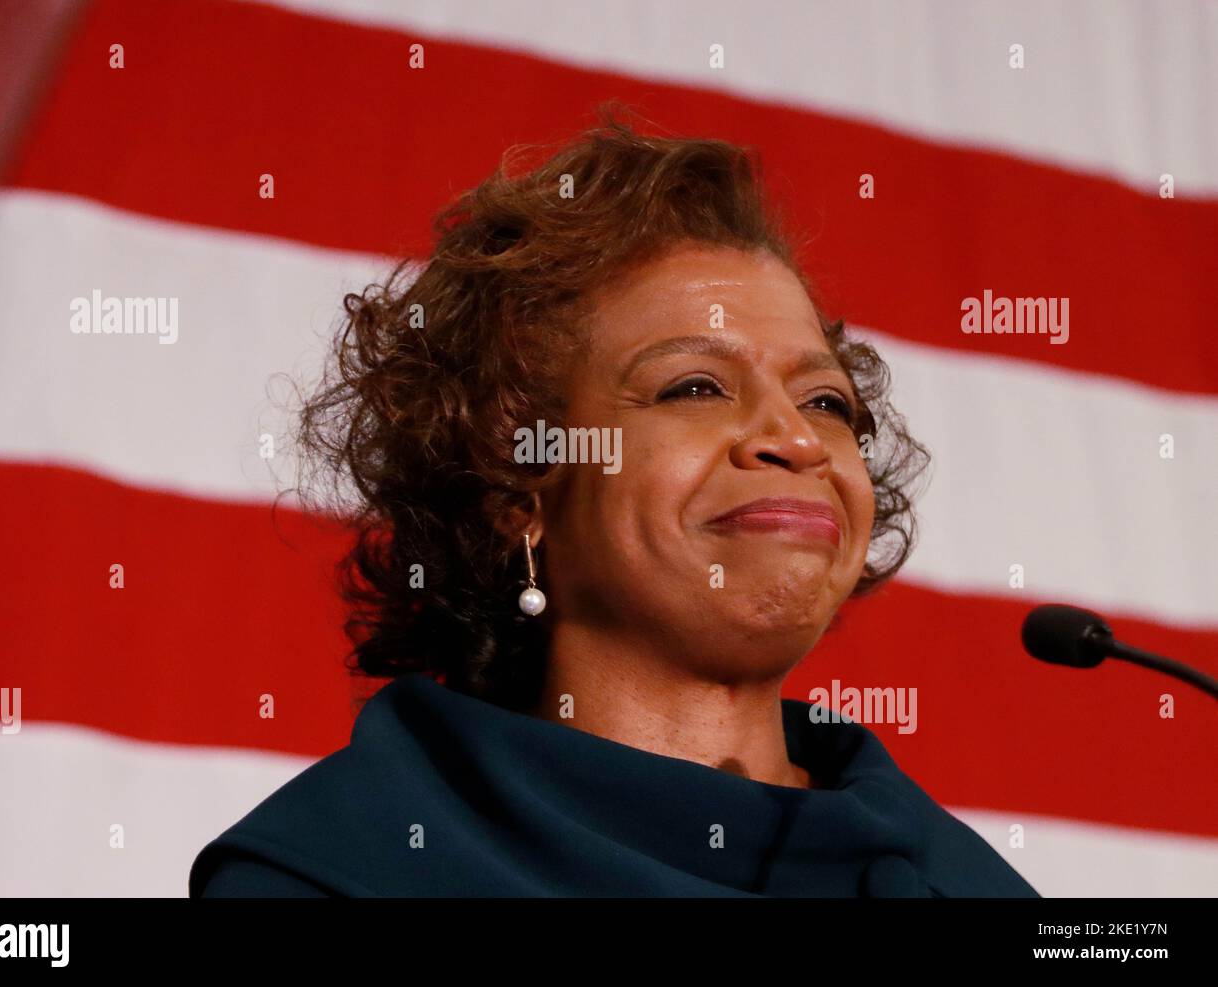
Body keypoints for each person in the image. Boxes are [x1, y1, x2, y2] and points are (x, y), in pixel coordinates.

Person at [189, 108, 1039, 898]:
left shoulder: (969, 889)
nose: (798, 440)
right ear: (514, 484)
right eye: (696, 386)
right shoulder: (335, 873)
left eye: (827, 402)